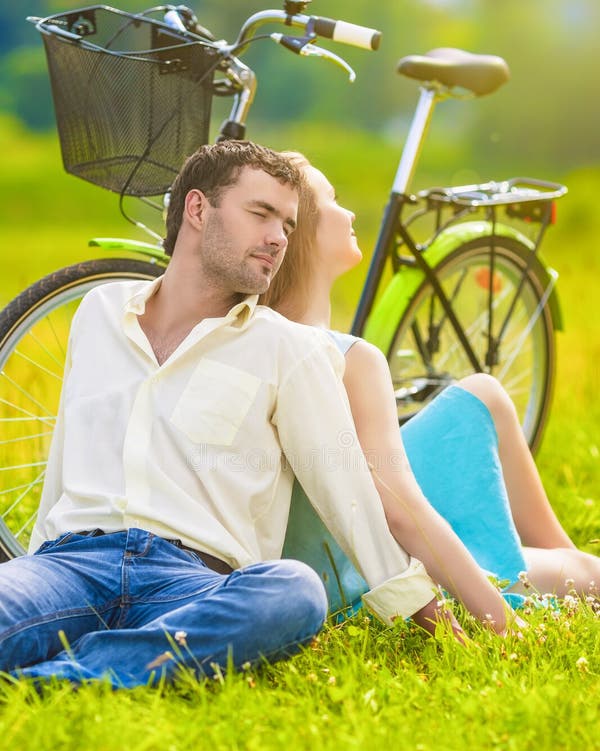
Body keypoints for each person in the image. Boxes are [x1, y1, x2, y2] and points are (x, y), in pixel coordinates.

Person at [0, 141, 468, 690]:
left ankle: (60, 678)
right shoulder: (99, 311)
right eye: (261, 214)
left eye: (288, 226)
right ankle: (97, 660)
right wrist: (29, 574)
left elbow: (352, 498)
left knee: (293, 593)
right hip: (72, 563)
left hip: (196, 583)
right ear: (198, 210)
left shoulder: (287, 349)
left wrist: (432, 616)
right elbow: (65, 459)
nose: (278, 238)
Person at [265, 156, 600, 620]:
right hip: (355, 573)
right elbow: (400, 511)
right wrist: (504, 622)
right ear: (302, 234)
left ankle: (559, 560)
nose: (349, 214)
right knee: (583, 572)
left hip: (319, 553)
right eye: (333, 201)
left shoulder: (256, 337)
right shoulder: (348, 358)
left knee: (484, 394)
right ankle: (571, 575)